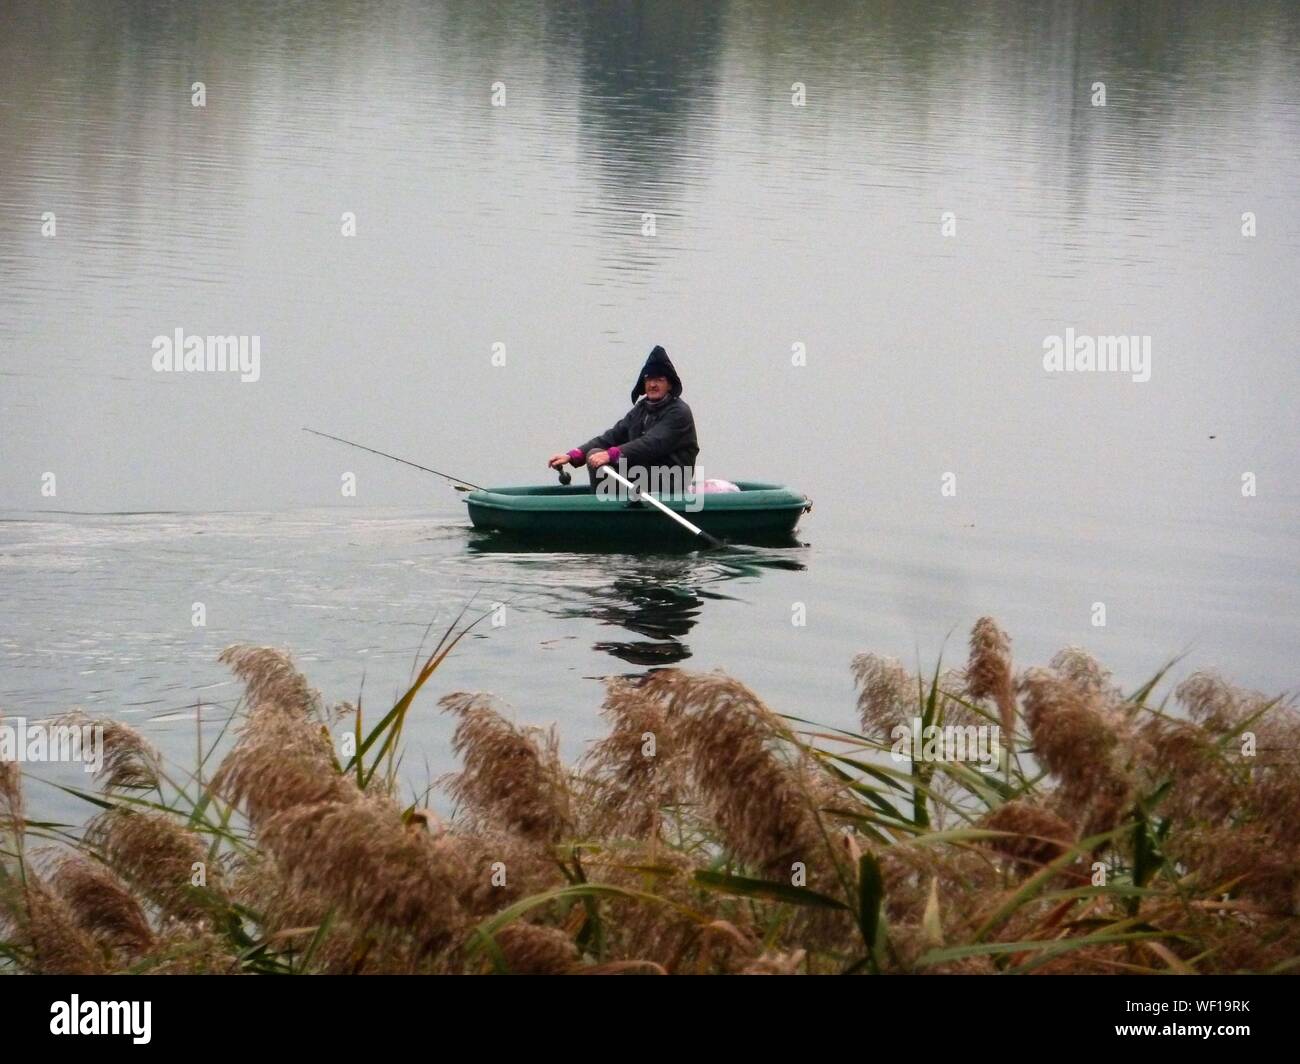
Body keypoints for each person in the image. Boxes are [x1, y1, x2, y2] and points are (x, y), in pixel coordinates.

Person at [548, 345, 699, 495]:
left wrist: (611, 454)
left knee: (603, 457)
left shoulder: (679, 412)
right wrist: (573, 455)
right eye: (649, 380)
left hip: (671, 478)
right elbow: (612, 436)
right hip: (643, 474)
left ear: (669, 384)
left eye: (659, 380)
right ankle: (606, 507)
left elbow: (651, 443)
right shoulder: (641, 409)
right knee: (594, 453)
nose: (653, 385)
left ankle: (606, 511)